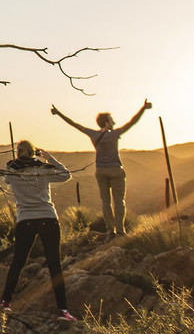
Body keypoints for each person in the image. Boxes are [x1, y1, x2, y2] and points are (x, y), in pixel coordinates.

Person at [52, 99, 152, 235]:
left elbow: (74, 124)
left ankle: (110, 229)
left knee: (106, 202)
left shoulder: (93, 134)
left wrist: (58, 113)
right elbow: (132, 122)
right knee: (119, 202)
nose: (114, 122)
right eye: (111, 120)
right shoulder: (115, 134)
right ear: (106, 123)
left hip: (101, 171)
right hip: (116, 170)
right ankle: (120, 230)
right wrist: (143, 108)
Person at [0, 140, 75, 320]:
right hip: (47, 218)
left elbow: (5, 179)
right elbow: (66, 175)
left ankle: (6, 302)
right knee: (54, 264)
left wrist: (15, 162)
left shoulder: (12, 172)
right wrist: (48, 157)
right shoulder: (42, 170)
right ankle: (63, 310)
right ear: (34, 152)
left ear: (17, 153)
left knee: (18, 261)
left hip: (25, 220)